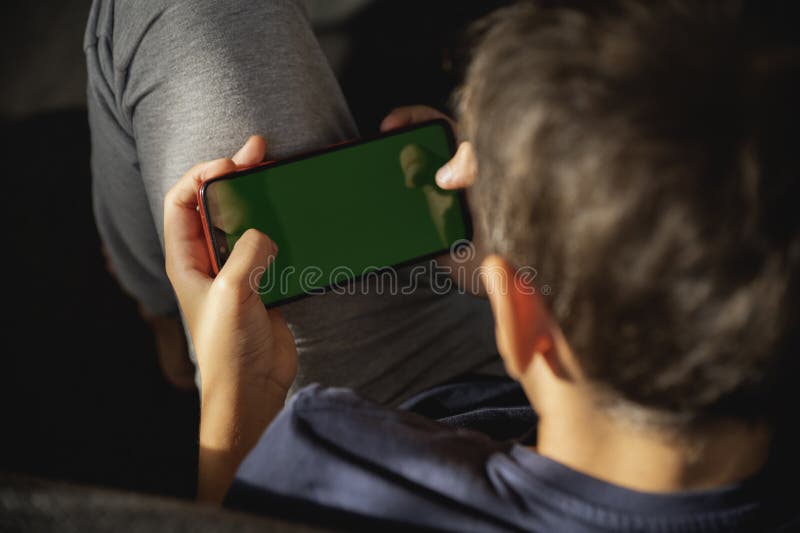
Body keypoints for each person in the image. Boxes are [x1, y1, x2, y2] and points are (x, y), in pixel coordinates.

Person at [162, 1, 800, 531]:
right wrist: (531, 247)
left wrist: (234, 388)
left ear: (525, 319)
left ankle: (155, 309)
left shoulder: (321, 465)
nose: (465, 166)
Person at [84, 0, 499, 399]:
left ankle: (160, 299)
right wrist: (511, 270)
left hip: (356, 393)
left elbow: (252, 476)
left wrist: (240, 382)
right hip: (485, 337)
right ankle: (157, 293)